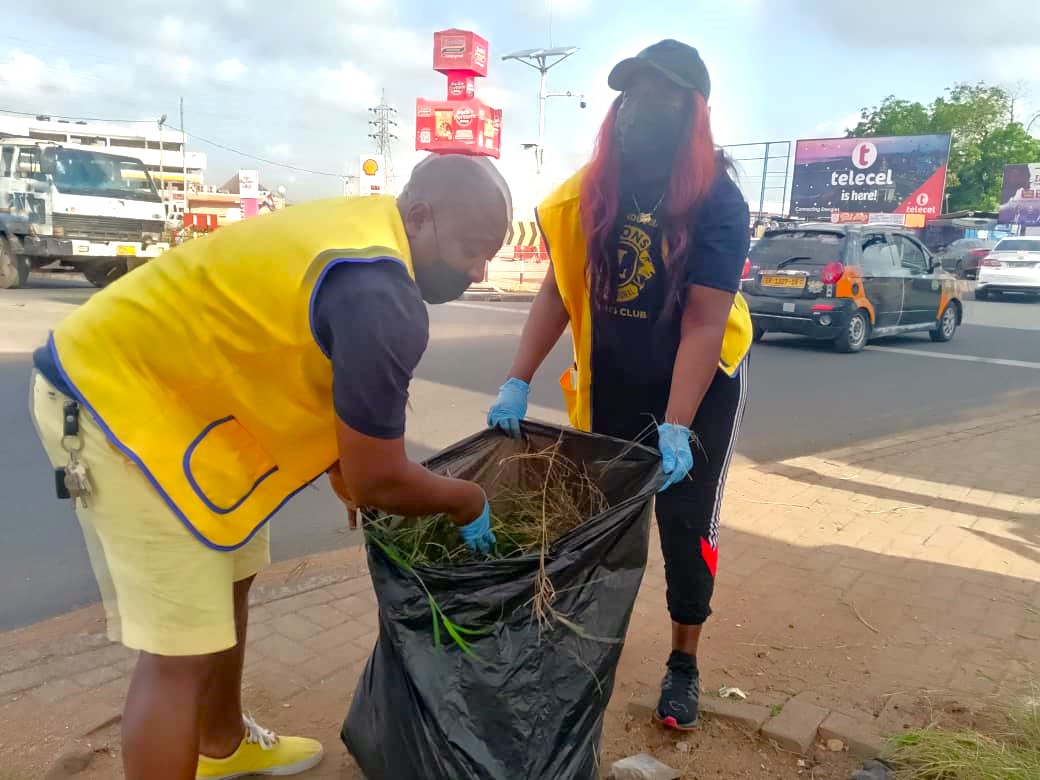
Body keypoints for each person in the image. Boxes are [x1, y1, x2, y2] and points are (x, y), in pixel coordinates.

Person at [29, 153, 509, 780]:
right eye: (472, 250)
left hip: (190, 407)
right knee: (178, 654)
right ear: (420, 218)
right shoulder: (381, 292)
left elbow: (328, 384)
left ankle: (221, 746)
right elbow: (376, 478)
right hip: (117, 407)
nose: (479, 272)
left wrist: (352, 464)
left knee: (232, 578)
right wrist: (465, 501)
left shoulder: (369, 227)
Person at [487, 40, 752, 731]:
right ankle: (582, 648)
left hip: (703, 378)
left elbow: (702, 322)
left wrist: (674, 425)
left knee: (687, 522)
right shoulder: (592, 190)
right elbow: (558, 289)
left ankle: (683, 663)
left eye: (661, 94)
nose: (639, 109)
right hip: (616, 374)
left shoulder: (716, 201)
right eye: (630, 93)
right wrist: (517, 379)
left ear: (692, 109)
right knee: (599, 515)